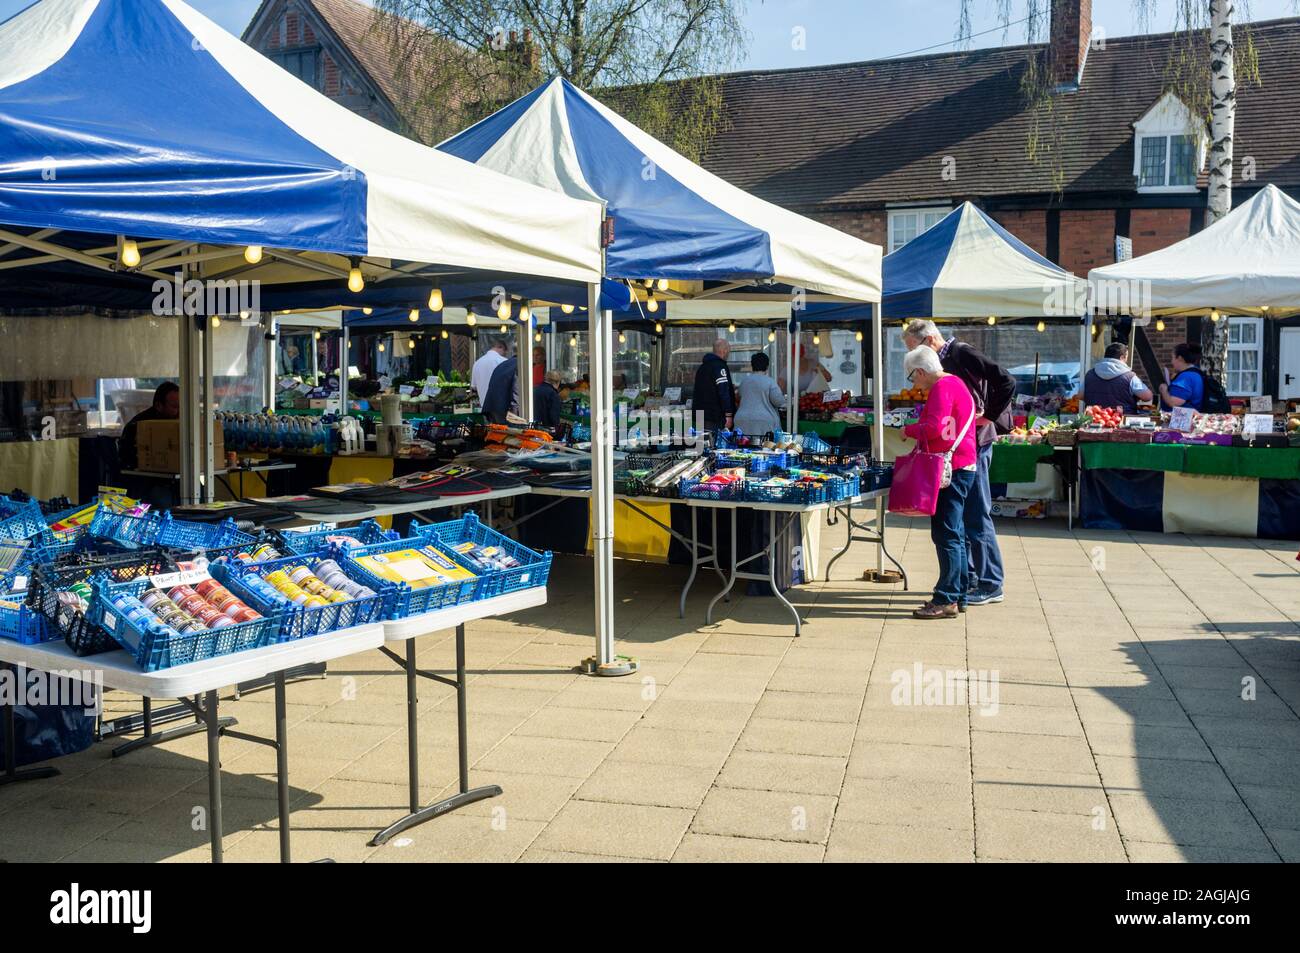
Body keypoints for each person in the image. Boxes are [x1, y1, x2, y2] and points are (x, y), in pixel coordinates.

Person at [903, 319, 1014, 606]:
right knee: (961, 521)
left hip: (971, 445)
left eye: (912, 348)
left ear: (928, 343)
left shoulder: (960, 354)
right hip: (963, 444)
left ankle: (989, 582)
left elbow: (1005, 379)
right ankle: (967, 581)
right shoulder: (947, 373)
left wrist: (988, 416)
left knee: (975, 515)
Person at [901, 346, 979, 620]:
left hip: (951, 468)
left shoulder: (942, 388)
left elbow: (934, 427)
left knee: (945, 534)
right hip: (963, 464)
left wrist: (908, 430)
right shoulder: (956, 382)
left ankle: (946, 598)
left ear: (920, 371)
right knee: (954, 533)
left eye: (912, 377)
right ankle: (957, 595)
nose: (914, 384)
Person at [118, 381, 179, 471]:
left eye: (182, 406)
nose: (180, 411)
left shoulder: (182, 422)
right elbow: (128, 462)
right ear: (159, 406)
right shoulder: (138, 427)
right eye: (175, 407)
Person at [1084, 343, 1153, 414]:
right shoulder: (1129, 376)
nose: (1126, 361)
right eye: (1126, 358)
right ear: (1122, 357)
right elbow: (1147, 396)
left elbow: (1080, 395)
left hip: (1094, 419)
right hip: (1122, 420)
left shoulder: (1090, 374)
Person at [734, 353, 787, 437]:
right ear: (767, 366)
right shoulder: (770, 382)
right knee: (764, 448)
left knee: (743, 448)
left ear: (752, 366)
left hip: (742, 421)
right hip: (763, 423)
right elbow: (778, 401)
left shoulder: (744, 381)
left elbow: (738, 397)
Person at [691, 339, 737, 432]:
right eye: (728, 350)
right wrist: (728, 414)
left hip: (700, 414)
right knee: (716, 444)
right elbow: (723, 391)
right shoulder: (719, 367)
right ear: (724, 350)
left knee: (702, 443)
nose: (728, 353)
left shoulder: (702, 367)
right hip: (714, 416)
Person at [1159, 342, 1206, 411]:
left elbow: (1173, 403)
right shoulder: (1196, 373)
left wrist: (1164, 390)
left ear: (1180, 358)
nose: (1172, 362)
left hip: (1184, 419)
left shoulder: (1185, 377)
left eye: (1173, 358)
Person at [482, 354, 518, 425]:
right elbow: (516, 390)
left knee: (499, 433)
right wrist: (516, 414)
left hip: (491, 406)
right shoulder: (519, 365)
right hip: (504, 409)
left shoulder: (504, 364)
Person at [471, 338, 508, 407]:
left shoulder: (477, 363)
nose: (505, 355)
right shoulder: (504, 361)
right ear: (501, 348)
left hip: (484, 408)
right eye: (505, 353)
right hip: (501, 407)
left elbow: (474, 387)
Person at [533, 368, 563, 433]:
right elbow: (554, 416)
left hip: (533, 427)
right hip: (546, 430)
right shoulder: (553, 394)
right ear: (557, 382)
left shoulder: (535, 389)